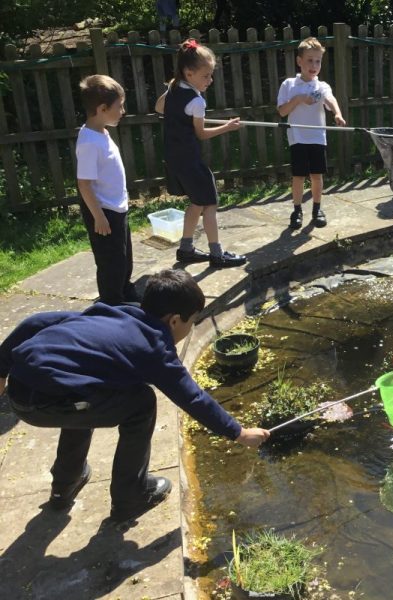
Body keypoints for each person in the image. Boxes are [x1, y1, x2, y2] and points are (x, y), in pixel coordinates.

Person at [0, 269, 270, 523]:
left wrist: (2, 371)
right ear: (174, 320)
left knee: (88, 391)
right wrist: (239, 433)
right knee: (141, 403)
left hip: (21, 387)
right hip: (43, 403)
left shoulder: (116, 312)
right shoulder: (155, 349)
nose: (190, 328)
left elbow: (35, 322)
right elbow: (193, 398)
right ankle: (130, 497)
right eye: (192, 321)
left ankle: (65, 484)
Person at [155, 39, 246, 268]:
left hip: (173, 158)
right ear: (189, 72)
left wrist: (172, 87)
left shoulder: (174, 88)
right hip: (189, 160)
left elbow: (158, 107)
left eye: (211, 75)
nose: (210, 80)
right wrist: (227, 127)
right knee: (210, 204)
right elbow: (202, 134)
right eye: (205, 76)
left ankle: (186, 249)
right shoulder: (196, 101)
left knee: (197, 203)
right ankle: (217, 255)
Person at [76, 74, 139, 306]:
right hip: (103, 212)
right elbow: (84, 184)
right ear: (102, 109)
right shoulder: (88, 143)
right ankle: (112, 303)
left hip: (116, 207)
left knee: (124, 257)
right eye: (119, 106)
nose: (122, 111)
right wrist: (99, 217)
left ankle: (125, 290)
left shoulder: (102, 131)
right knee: (111, 262)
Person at [278, 37, 346, 230]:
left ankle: (317, 209)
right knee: (298, 176)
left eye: (318, 61)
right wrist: (299, 99)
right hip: (297, 137)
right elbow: (282, 111)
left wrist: (338, 113)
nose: (314, 65)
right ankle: (297, 210)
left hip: (317, 137)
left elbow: (330, 99)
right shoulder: (289, 85)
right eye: (309, 60)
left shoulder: (321, 86)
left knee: (317, 175)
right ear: (299, 61)